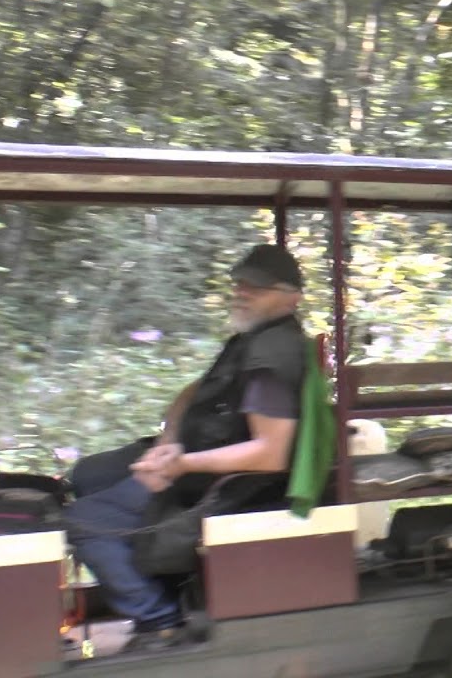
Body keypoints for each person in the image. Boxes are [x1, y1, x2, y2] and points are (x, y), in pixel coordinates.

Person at [63, 244, 309, 652]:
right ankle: (152, 576)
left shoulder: (273, 354)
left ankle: (160, 619)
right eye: (241, 282)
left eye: (258, 287)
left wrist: (181, 464)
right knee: (87, 474)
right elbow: (193, 392)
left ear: (291, 297)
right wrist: (169, 439)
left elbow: (270, 454)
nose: (242, 291)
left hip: (221, 486)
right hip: (191, 454)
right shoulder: (249, 339)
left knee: (82, 521)